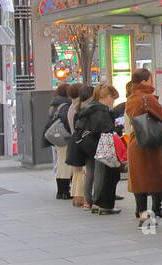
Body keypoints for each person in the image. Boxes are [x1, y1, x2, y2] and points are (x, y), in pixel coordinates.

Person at [124, 69, 162, 227]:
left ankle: (144, 217)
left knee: (140, 181)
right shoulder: (146, 98)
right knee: (161, 179)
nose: (152, 82)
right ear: (144, 81)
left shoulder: (131, 97)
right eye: (151, 79)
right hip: (151, 143)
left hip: (136, 142)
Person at [80, 84, 122, 215]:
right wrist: (118, 130)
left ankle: (91, 201)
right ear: (106, 96)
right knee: (103, 175)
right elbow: (107, 130)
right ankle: (100, 204)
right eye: (113, 98)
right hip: (101, 146)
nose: (113, 101)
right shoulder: (102, 111)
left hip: (88, 145)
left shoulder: (89, 108)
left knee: (92, 174)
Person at [64, 84, 94, 209]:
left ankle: (77, 196)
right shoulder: (81, 108)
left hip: (74, 140)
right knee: (83, 171)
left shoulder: (73, 106)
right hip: (81, 141)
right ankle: (81, 197)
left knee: (77, 172)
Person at [47, 84, 75, 199]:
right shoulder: (66, 104)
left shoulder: (54, 103)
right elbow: (66, 119)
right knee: (66, 164)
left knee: (60, 162)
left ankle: (60, 191)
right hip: (65, 137)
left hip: (57, 137)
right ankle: (65, 191)